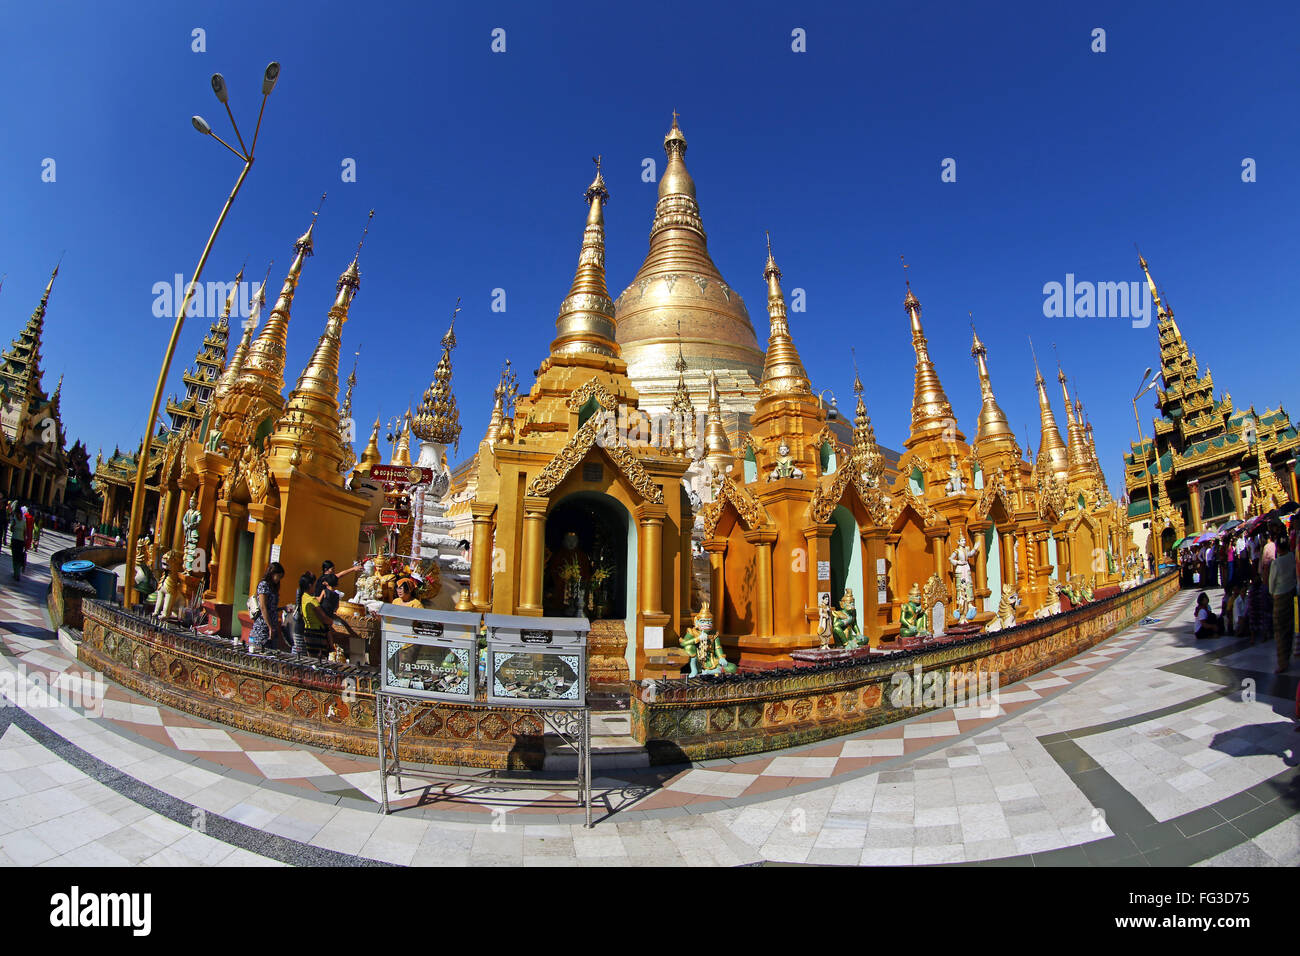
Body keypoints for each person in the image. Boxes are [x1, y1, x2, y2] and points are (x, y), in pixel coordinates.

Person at [1268, 536, 1295, 673]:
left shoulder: (1276, 563)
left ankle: (1282, 662)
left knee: (1279, 631)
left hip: (1279, 595)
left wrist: (1272, 593)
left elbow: (1271, 584)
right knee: (1289, 628)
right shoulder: (1292, 557)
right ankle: (1288, 656)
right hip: (1290, 593)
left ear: (1278, 548)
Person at [247, 562, 285, 653]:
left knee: (271, 653)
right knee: (261, 652)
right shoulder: (263, 585)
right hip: (263, 626)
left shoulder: (273, 587)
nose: (279, 579)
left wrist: (283, 608)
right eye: (278, 576)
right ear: (272, 573)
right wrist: (270, 627)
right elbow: (263, 607)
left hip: (272, 626)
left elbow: (272, 607)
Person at [8, 505, 26, 581]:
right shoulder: (14, 520)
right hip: (14, 540)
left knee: (18, 557)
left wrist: (25, 542)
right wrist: (13, 525)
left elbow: (25, 532)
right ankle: (16, 572)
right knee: (14, 557)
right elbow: (11, 529)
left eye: (18, 514)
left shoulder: (24, 521)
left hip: (20, 541)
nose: (17, 515)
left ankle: (17, 573)